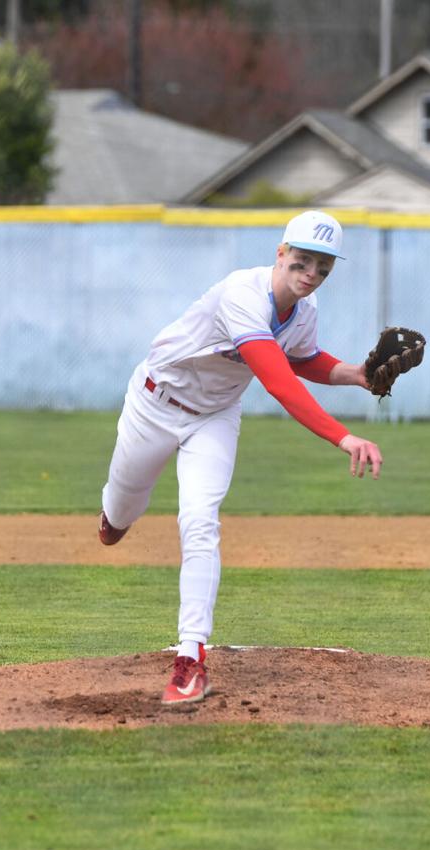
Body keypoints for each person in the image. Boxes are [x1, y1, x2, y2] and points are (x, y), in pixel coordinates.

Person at [96, 210, 382, 707]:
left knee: (200, 521)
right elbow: (277, 380)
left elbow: (304, 358)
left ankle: (189, 660)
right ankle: (113, 516)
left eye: (323, 266)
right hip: (154, 403)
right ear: (280, 253)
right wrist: (343, 437)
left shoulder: (304, 312)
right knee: (120, 514)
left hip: (214, 416)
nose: (311, 272)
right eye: (302, 260)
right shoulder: (241, 296)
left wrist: (357, 373)